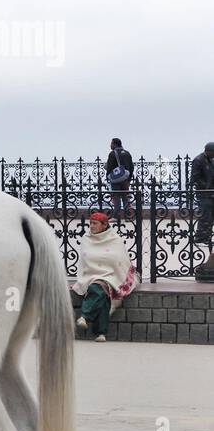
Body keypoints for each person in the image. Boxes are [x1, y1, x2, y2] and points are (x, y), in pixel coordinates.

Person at [74, 211, 136, 342]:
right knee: (100, 291)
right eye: (90, 223)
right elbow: (85, 258)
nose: (91, 226)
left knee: (98, 288)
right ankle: (101, 333)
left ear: (104, 225)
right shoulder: (87, 238)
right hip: (91, 273)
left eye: (95, 223)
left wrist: (106, 266)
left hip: (112, 274)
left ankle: (85, 316)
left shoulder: (114, 239)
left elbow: (119, 259)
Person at [192, 142, 214, 245]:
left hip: (211, 193)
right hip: (203, 193)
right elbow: (195, 178)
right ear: (208, 151)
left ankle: (207, 237)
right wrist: (206, 186)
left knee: (211, 216)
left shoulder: (211, 160)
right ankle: (200, 238)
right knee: (205, 215)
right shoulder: (198, 160)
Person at [106, 138, 133, 216]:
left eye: (111, 143)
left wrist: (108, 177)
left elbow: (109, 167)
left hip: (116, 179)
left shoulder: (112, 153)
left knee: (116, 197)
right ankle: (128, 215)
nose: (110, 145)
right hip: (125, 178)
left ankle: (116, 216)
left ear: (115, 144)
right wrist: (129, 178)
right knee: (125, 197)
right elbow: (131, 166)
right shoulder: (127, 153)